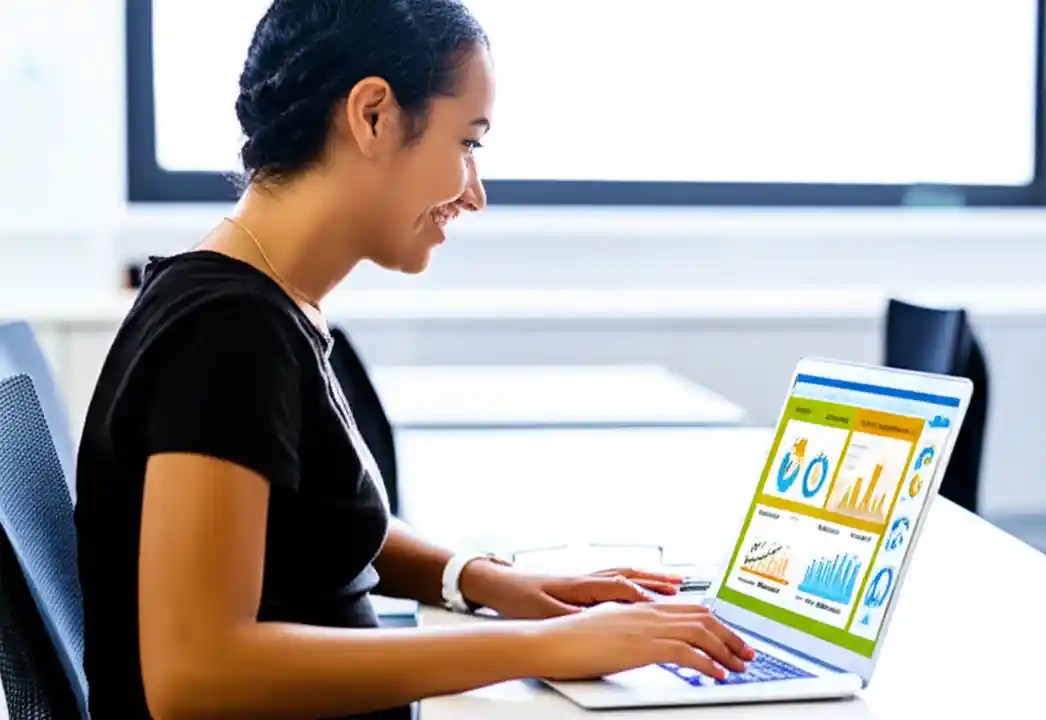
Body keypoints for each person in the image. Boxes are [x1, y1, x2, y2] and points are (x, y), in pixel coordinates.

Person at [74, 1, 753, 717]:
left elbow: (308, 519)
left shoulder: (257, 305)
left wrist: (483, 581)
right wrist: (551, 646)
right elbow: (198, 675)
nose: (475, 192)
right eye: (469, 142)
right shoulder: (227, 334)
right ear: (373, 114)